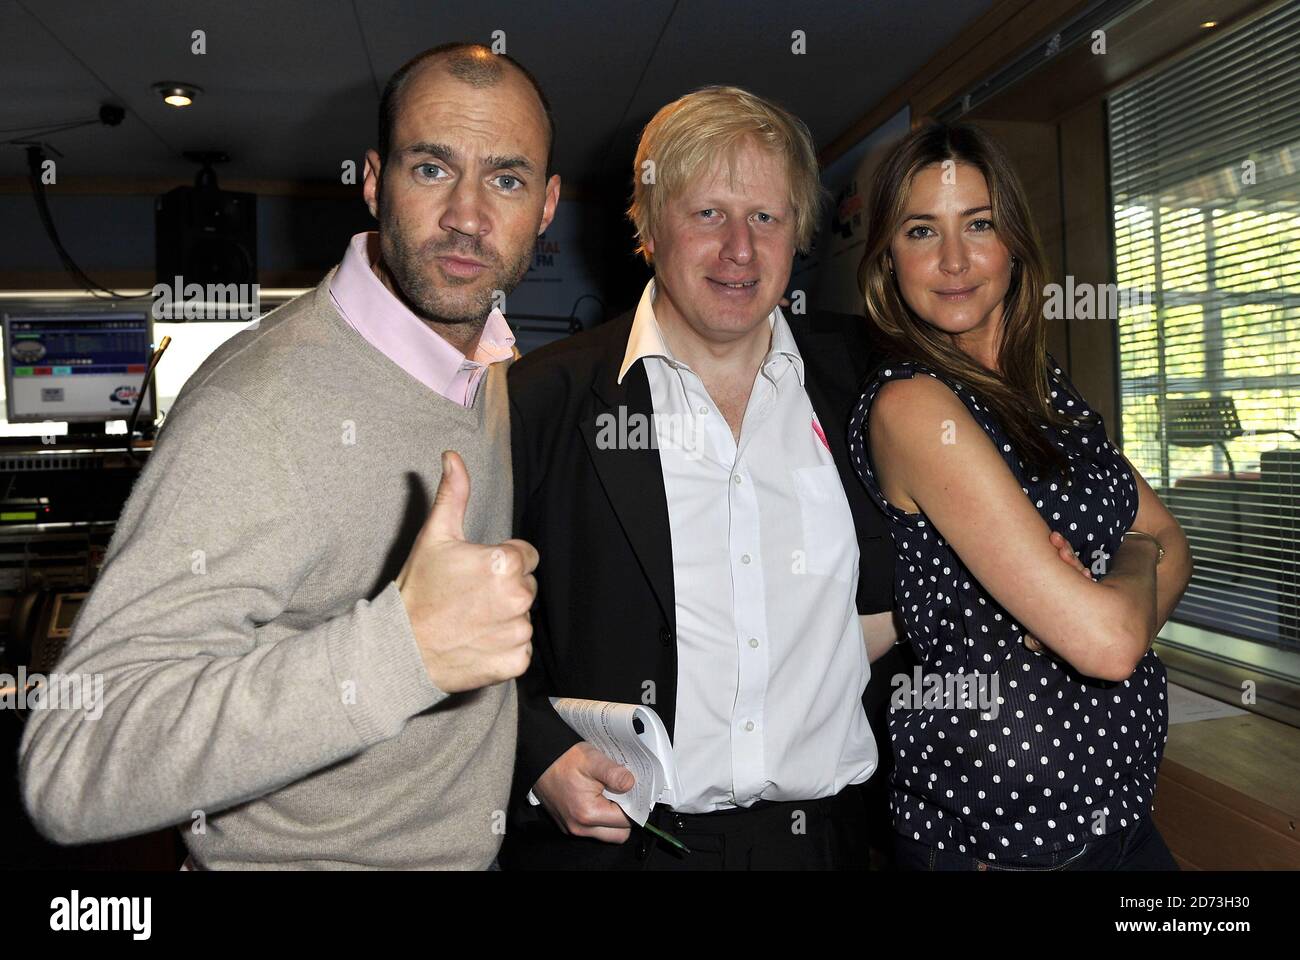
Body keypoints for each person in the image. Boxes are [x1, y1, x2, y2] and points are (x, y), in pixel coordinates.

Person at [19, 42, 556, 870]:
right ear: (374, 181)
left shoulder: (487, 362)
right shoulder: (257, 409)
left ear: (547, 206)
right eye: (431, 169)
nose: (469, 216)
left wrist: (545, 762)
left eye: (508, 180)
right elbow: (70, 763)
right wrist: (399, 651)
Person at [847, 121, 1192, 870]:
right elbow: (1107, 642)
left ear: (1013, 241)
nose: (954, 259)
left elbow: (1172, 543)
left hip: (1122, 813)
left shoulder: (1045, 391)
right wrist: (1105, 602)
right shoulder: (914, 406)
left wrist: (1104, 593)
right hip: (997, 844)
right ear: (888, 260)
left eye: (978, 223)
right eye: (919, 231)